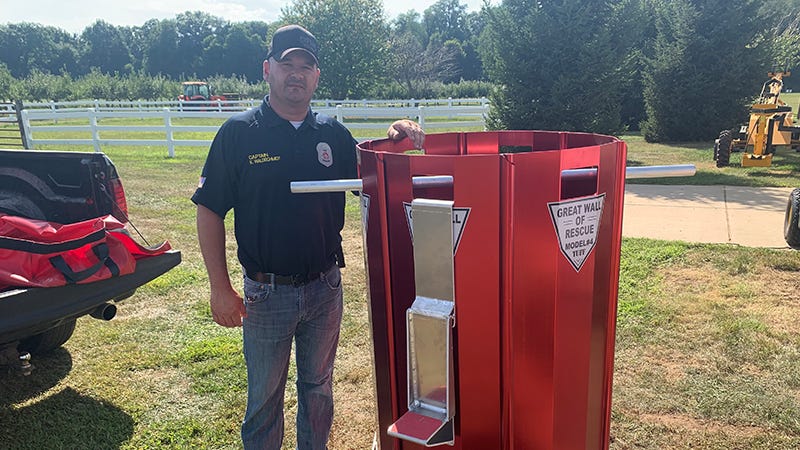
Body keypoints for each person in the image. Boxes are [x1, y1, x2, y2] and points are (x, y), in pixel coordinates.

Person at [191, 24, 424, 450]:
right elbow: (209, 211)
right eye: (287, 64)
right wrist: (220, 289)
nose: (295, 74)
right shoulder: (239, 133)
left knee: (318, 389)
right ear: (268, 70)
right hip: (266, 293)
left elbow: (372, 173)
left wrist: (398, 137)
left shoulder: (331, 135)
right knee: (264, 397)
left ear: (316, 77)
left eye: (306, 66)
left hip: (325, 288)